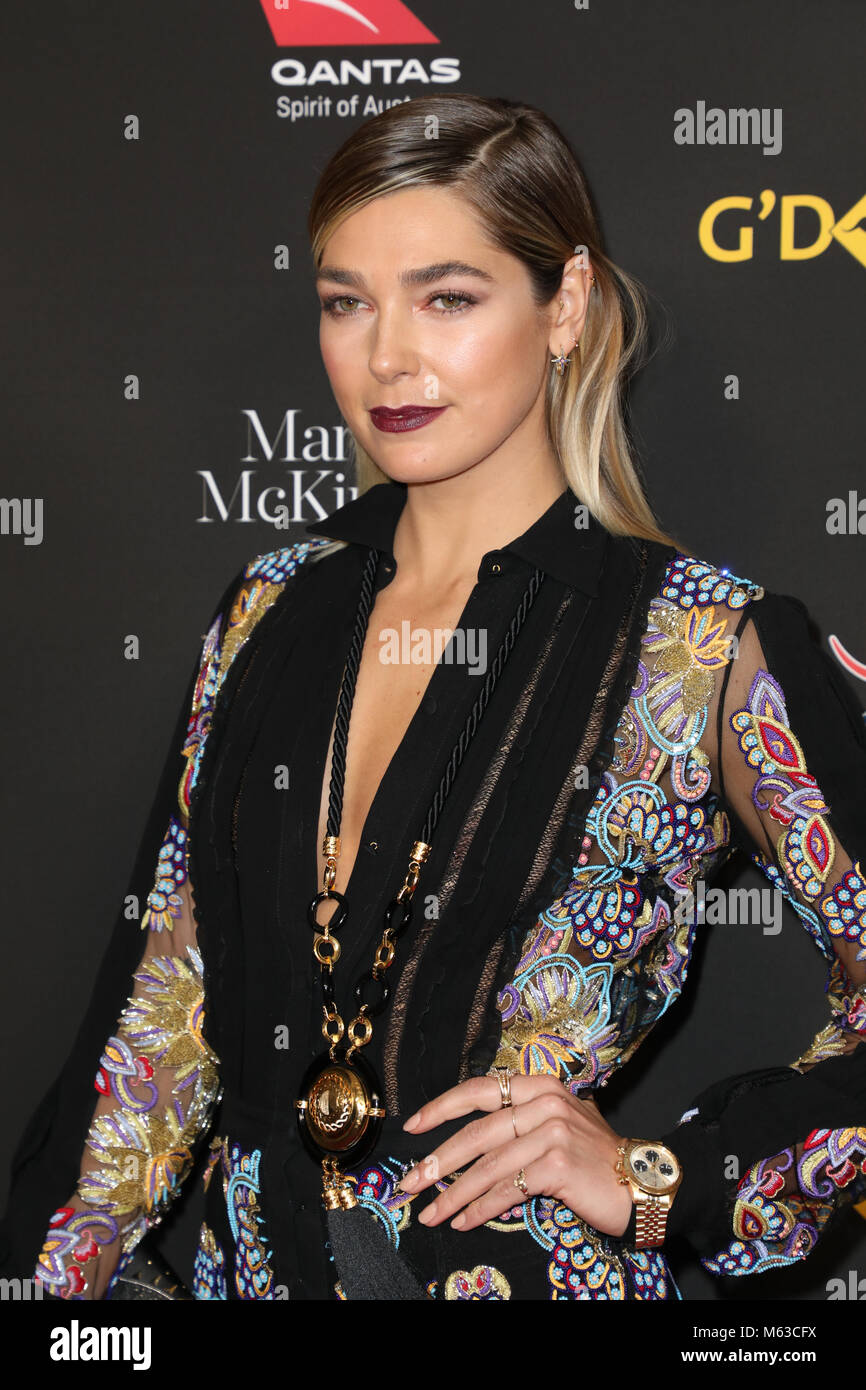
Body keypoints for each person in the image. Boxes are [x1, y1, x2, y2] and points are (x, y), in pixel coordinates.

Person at [2, 93, 865, 1303]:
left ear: (562, 305)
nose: (387, 356)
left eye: (447, 298)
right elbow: (159, 1014)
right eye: (346, 302)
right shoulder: (273, 607)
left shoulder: (698, 645)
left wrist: (665, 1175)